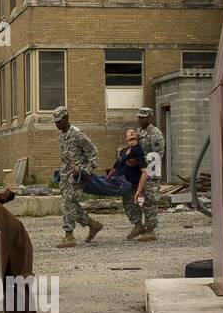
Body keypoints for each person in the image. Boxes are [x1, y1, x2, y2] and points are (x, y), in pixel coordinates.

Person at [53, 106, 102, 247]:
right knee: (70, 203)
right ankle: (93, 225)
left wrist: (86, 171)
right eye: (55, 122)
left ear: (66, 118)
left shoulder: (78, 134)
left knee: (68, 202)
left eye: (59, 121)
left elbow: (93, 153)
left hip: (77, 176)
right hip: (65, 176)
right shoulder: (62, 136)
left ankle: (69, 236)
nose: (57, 124)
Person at [132, 107, 164, 241]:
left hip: (151, 172)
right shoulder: (139, 132)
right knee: (140, 200)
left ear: (150, 118)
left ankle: (150, 230)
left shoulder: (155, 133)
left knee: (150, 201)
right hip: (140, 172)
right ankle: (140, 226)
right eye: (139, 117)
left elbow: (156, 156)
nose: (139, 120)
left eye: (142, 117)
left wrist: (140, 161)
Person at [112, 129, 150, 239]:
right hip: (124, 183)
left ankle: (140, 226)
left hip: (134, 183)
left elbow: (145, 171)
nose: (132, 133)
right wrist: (107, 179)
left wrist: (139, 189)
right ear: (126, 139)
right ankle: (138, 226)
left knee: (135, 205)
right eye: (129, 134)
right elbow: (115, 167)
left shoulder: (138, 150)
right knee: (128, 205)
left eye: (133, 134)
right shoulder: (124, 151)